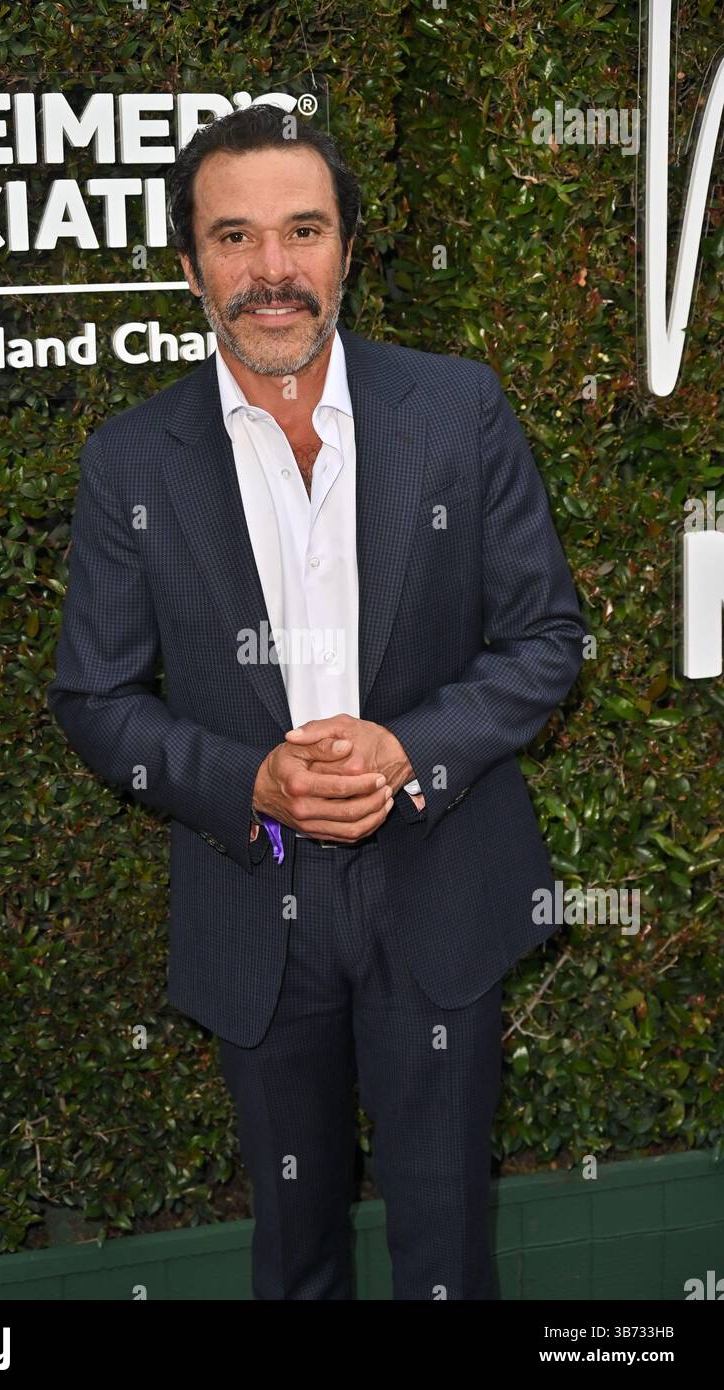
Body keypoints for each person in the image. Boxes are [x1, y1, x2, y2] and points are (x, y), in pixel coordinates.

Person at [47, 102, 586, 1300]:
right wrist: (250, 780)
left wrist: (407, 748)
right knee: (295, 1254)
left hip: (438, 878)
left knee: (446, 1248)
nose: (273, 270)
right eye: (234, 237)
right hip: (258, 896)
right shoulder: (129, 460)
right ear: (189, 265)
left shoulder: (456, 411)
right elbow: (94, 695)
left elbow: (547, 638)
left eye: (303, 230)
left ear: (347, 248)